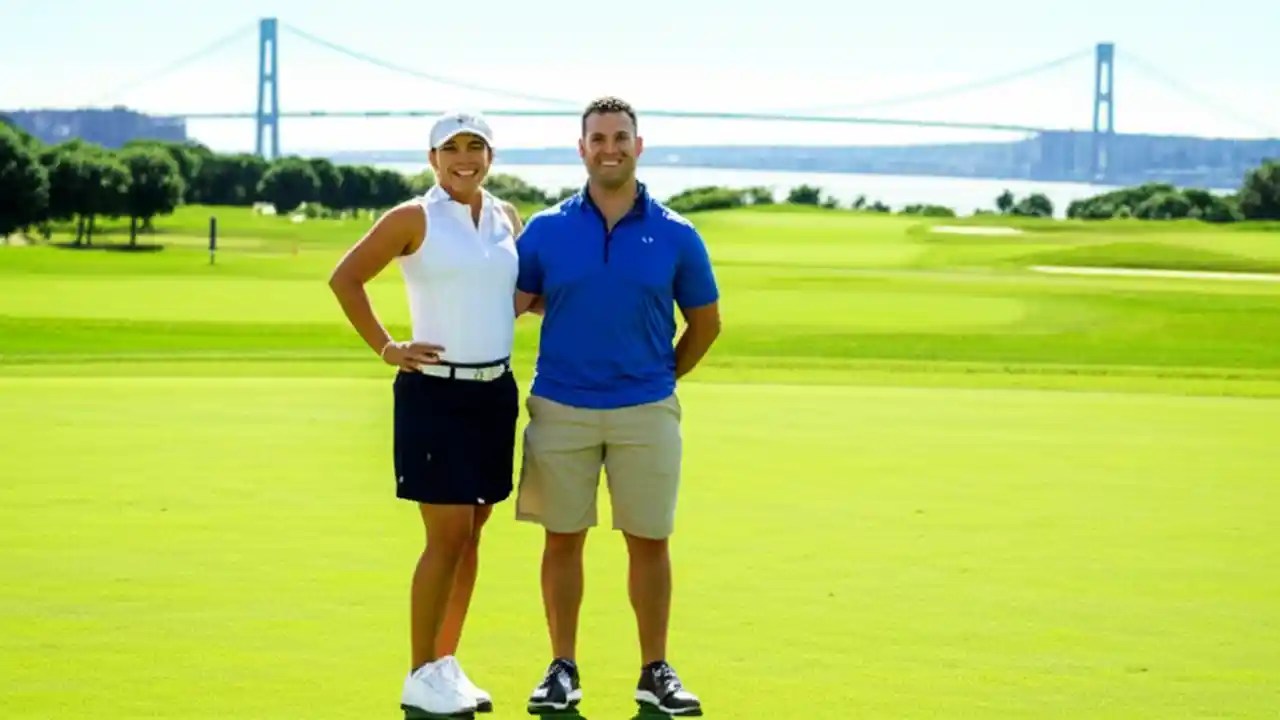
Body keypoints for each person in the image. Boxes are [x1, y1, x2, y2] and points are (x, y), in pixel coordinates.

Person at [512, 96, 722, 717]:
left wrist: (660, 378)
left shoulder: (678, 233)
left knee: (650, 540)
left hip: (645, 412)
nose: (610, 147)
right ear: (581, 149)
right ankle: (562, 668)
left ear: (639, 144)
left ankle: (654, 670)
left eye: (621, 137)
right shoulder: (547, 230)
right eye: (598, 138)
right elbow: (516, 304)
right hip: (561, 407)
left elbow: (706, 324)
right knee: (561, 540)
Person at [328, 110, 524, 718]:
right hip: (435, 393)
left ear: (490, 155)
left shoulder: (505, 217)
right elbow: (346, 278)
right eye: (452, 148)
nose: (465, 157)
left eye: (476, 146)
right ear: (432, 158)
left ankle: (444, 663)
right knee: (446, 539)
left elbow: (505, 298)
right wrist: (388, 346)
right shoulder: (412, 217)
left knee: (472, 538)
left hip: (495, 392)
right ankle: (419, 672)